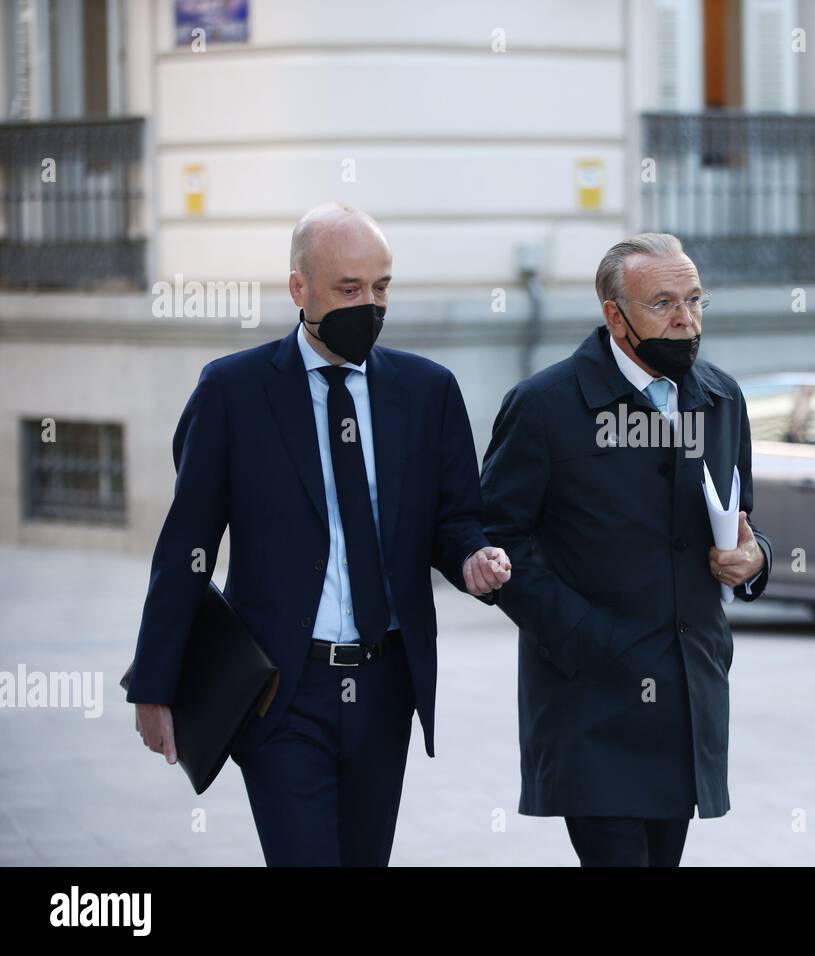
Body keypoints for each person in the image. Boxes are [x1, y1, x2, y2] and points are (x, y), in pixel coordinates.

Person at [127, 202, 511, 865]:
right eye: (349, 289)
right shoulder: (233, 392)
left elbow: (455, 519)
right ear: (299, 288)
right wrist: (156, 683)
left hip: (386, 684)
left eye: (382, 287)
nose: (370, 304)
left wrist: (472, 557)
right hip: (280, 688)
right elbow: (187, 547)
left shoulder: (427, 392)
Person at [480, 232, 773, 866]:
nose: (685, 319)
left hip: (687, 699)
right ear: (615, 315)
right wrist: (584, 636)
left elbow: (745, 522)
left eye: (694, 300)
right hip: (593, 703)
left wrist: (756, 562)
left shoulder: (722, 399)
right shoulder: (543, 407)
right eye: (663, 303)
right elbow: (498, 542)